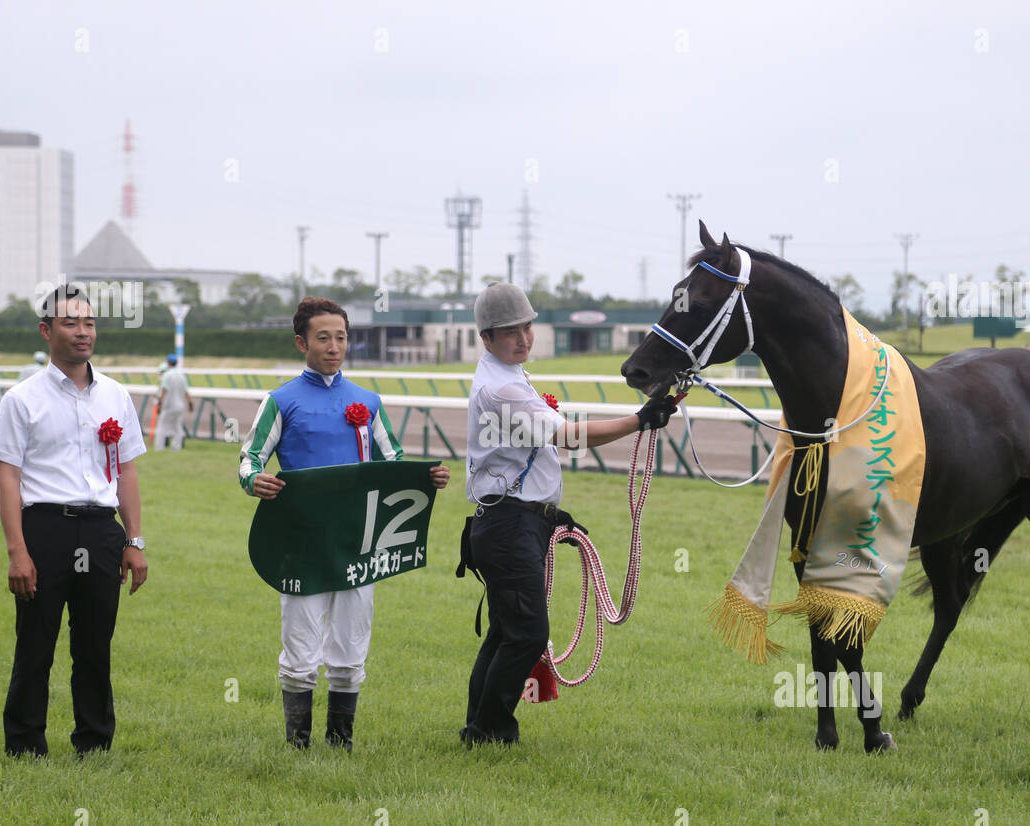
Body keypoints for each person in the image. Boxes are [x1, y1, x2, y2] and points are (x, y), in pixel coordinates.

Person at [460, 283, 675, 747]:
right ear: (486, 337)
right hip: (507, 524)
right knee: (528, 633)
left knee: (505, 630)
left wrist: (548, 514)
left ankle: (479, 725)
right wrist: (639, 420)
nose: (523, 338)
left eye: (527, 327)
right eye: (510, 331)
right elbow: (567, 437)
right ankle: (489, 729)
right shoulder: (501, 388)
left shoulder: (507, 375)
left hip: (511, 520)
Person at [239, 296, 449, 752]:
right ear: (302, 342)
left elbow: (393, 462)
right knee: (300, 648)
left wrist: (426, 477)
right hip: (301, 544)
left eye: (341, 337)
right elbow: (249, 458)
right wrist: (255, 480)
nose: (334, 346)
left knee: (352, 645)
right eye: (323, 338)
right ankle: (297, 744)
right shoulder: (280, 401)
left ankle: (340, 743)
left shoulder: (367, 401)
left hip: (359, 544)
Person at [0, 282, 148, 758]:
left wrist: (134, 540)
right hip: (45, 530)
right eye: (70, 323)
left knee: (95, 646)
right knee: (35, 645)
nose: (82, 332)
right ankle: (25, 744)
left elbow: (128, 470)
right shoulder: (21, 399)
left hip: (100, 532)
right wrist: (18, 551)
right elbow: (8, 478)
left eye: (89, 323)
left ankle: (93, 742)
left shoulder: (116, 396)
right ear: (46, 330)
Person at [154, 353, 193, 451]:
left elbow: (164, 389)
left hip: (169, 406)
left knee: (162, 427)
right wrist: (190, 402)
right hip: (180, 406)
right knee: (178, 428)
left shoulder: (167, 375)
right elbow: (186, 391)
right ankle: (176, 447)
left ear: (168, 363)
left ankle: (159, 447)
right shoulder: (182, 375)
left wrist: (159, 403)